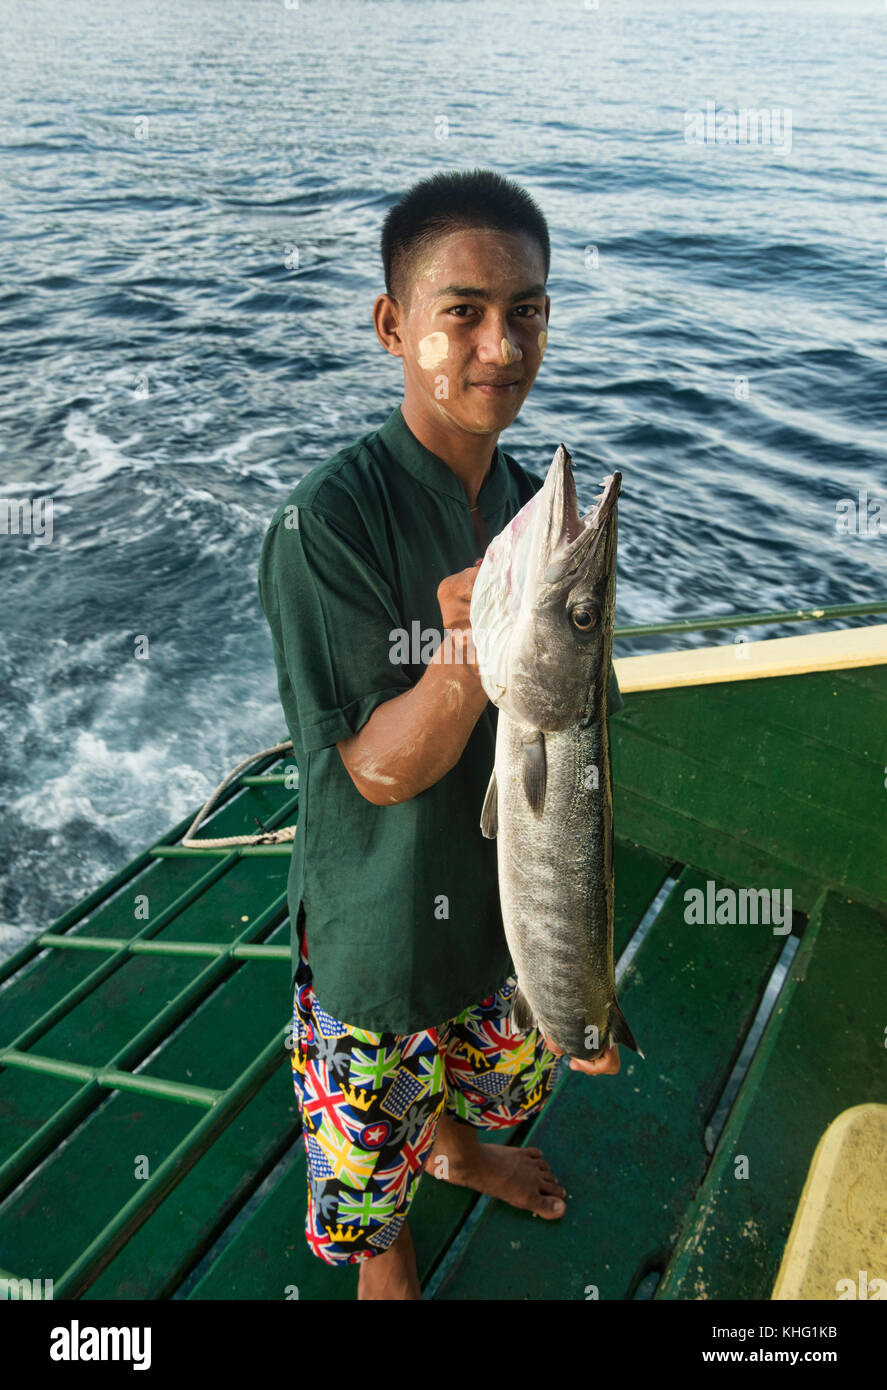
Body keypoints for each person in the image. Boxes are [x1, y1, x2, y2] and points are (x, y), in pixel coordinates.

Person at [257, 168, 624, 1300]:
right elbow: (373, 768)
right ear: (392, 326)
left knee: (497, 1080)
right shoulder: (328, 520)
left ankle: (460, 1151)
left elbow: (582, 743)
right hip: (380, 938)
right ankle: (389, 1249)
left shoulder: (532, 510)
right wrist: (469, 652)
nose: (499, 345)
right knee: (366, 1154)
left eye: (527, 311)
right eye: (461, 311)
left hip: (499, 921)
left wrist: (585, 970)